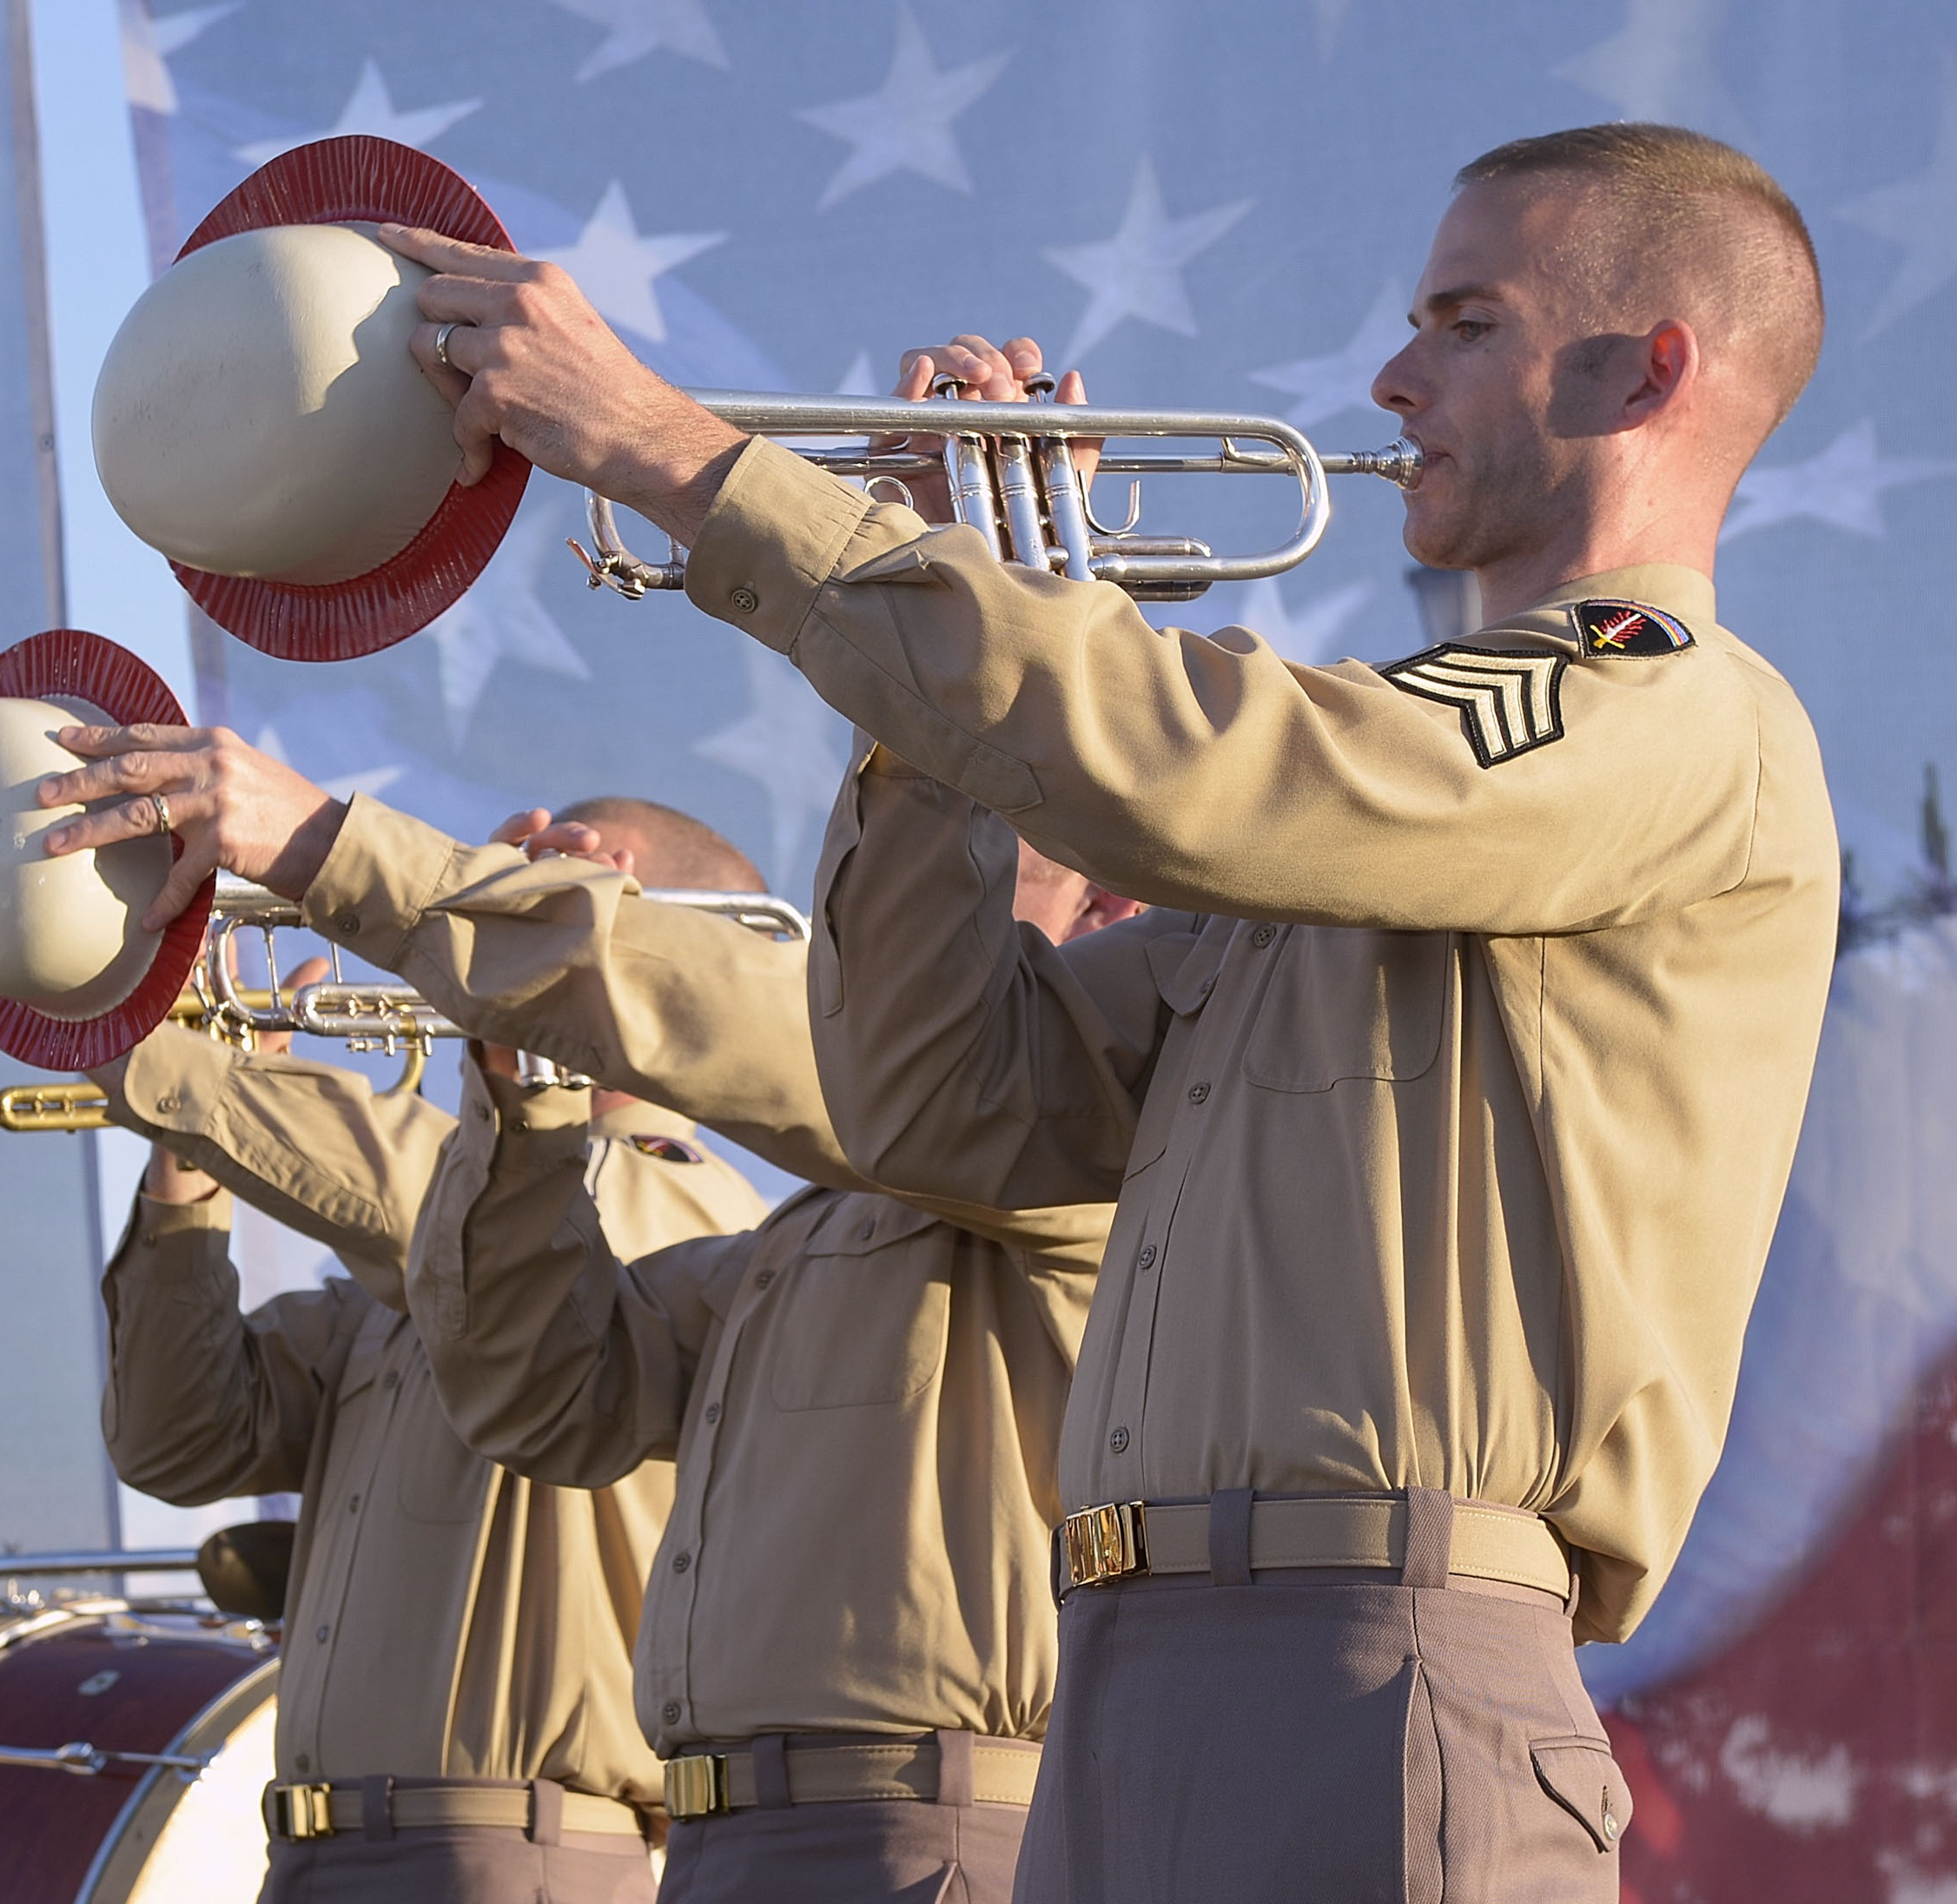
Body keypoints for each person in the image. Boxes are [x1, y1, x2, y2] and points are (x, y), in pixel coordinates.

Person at [360, 122, 1840, 1900]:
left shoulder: (1664, 706)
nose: (1390, 376)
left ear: (1646, 366)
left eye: (1464, 321)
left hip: (1380, 1657)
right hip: (1129, 1676)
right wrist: (914, 719)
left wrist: (688, 458)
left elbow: (1206, 773)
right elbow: (944, 1100)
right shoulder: (1357, 817)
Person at [6, 731, 1132, 1901]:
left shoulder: (728, 1183)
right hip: (692, 1839)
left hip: (795, 1841)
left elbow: (405, 1183)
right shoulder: (789, 1239)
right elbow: (208, 1437)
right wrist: (499, 1084)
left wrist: (149, 1039)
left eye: (581, 914)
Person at [36, 801, 765, 1903]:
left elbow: (413, 1183)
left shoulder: (682, 1194)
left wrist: (136, 1039)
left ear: (630, 915)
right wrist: (190, 1165)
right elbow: (179, 1440)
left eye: (526, 891)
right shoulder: (439, 1227)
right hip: (318, 1849)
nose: (479, 920)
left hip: (511, 1851)